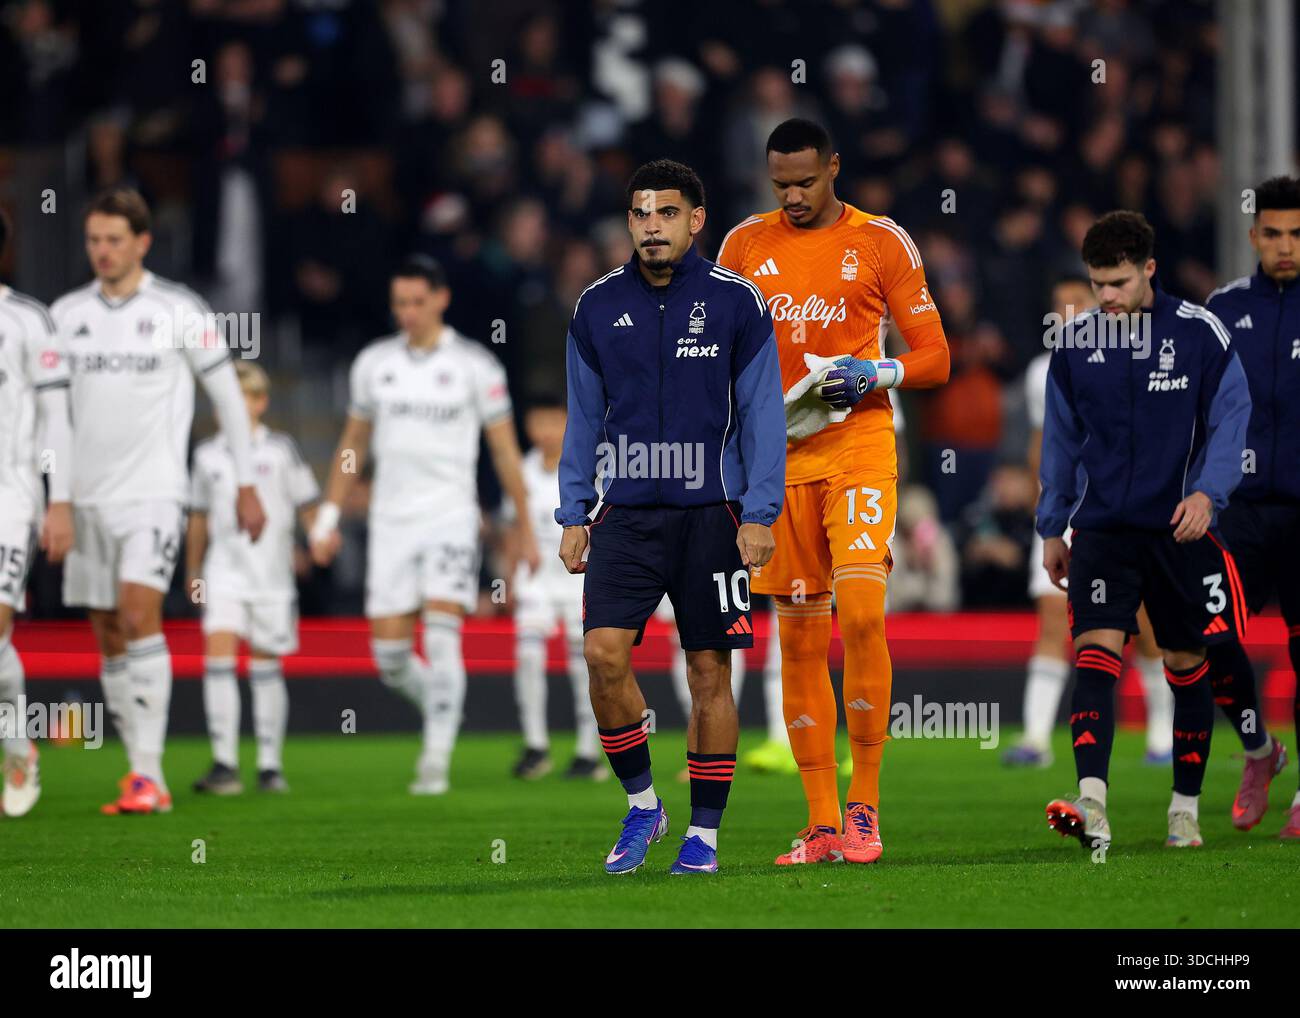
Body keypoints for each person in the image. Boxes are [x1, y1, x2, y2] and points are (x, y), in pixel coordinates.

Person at [716, 119, 949, 865]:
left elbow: (938, 357)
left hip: (859, 446)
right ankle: (820, 825)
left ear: (834, 169)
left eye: (805, 182)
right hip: (777, 460)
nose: (791, 196)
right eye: (779, 183)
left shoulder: (882, 242)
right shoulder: (741, 248)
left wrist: (876, 374)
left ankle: (865, 807)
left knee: (862, 616)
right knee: (798, 637)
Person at [556, 159, 785, 875]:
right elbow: (583, 417)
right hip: (624, 513)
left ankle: (705, 837)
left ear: (696, 220)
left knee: (708, 671)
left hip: (712, 514)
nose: (651, 226)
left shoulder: (736, 302)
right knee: (602, 655)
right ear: (629, 222)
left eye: (666, 213)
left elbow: (763, 415)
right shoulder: (596, 305)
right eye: (640, 213)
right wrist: (572, 510)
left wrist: (759, 509)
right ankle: (645, 806)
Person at [1039, 211, 1252, 851]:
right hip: (1102, 530)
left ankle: (1183, 809)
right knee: (1095, 657)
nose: (1106, 297)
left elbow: (1232, 415)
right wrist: (1053, 526)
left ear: (1149, 270)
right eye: (1098, 283)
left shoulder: (1199, 334)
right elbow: (1061, 441)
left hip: (1177, 533)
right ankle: (1093, 804)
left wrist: (1208, 493)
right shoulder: (1076, 345)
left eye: (1119, 283)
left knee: (1188, 664)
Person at [53, 188, 266, 814]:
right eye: (94, 240)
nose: (103, 251)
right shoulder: (66, 315)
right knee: (108, 629)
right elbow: (49, 414)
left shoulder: (179, 309)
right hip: (85, 498)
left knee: (139, 611)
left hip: (153, 492)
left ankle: (150, 776)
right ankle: (135, 768)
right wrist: (55, 495)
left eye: (115, 240)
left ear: (142, 242)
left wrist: (247, 482)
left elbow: (227, 395)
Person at [310, 255, 538, 794]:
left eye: (417, 301)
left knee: (441, 634)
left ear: (441, 299)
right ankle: (445, 707)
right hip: (391, 520)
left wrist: (524, 525)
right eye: (400, 304)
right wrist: (327, 513)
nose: (407, 313)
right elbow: (353, 444)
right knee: (389, 657)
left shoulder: (475, 366)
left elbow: (505, 453)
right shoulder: (374, 364)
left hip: (450, 518)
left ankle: (434, 759)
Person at [1006, 275, 1173, 768]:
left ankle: (1161, 738)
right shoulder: (1044, 370)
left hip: (1121, 514)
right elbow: (1043, 444)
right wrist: (1046, 511)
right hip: (1065, 515)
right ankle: (1036, 739)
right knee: (1052, 620)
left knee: (1144, 623)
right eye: (1058, 306)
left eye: (1075, 303)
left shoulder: (1135, 356)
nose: (1067, 314)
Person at [1204, 175, 1300, 840]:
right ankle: (1261, 751)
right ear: (1253, 236)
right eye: (1274, 234)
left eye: (1297, 234)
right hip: (1236, 510)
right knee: (1210, 639)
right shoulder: (1221, 310)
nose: (1286, 246)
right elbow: (1199, 412)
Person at [188, 362, 320, 795]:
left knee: (265, 666)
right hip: (223, 570)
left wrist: (318, 536)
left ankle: (268, 764)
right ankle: (225, 763)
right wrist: (193, 571)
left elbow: (307, 504)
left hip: (271, 576)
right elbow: (198, 517)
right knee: (218, 656)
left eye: (243, 396)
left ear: (261, 402)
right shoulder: (207, 455)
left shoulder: (281, 450)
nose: (234, 406)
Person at [0, 211, 73, 817]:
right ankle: (18, 738)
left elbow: (54, 420)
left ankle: (16, 748)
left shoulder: (27, 320)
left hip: (10, 495)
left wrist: (58, 499)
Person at [507, 395, 605, 782]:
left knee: (582, 665)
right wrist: (509, 572)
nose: (545, 431)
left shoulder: (588, 469)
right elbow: (511, 526)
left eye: (553, 421)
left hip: (577, 574)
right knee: (528, 657)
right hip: (534, 578)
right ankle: (535, 744)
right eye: (537, 422)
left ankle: (587, 750)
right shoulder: (521, 471)